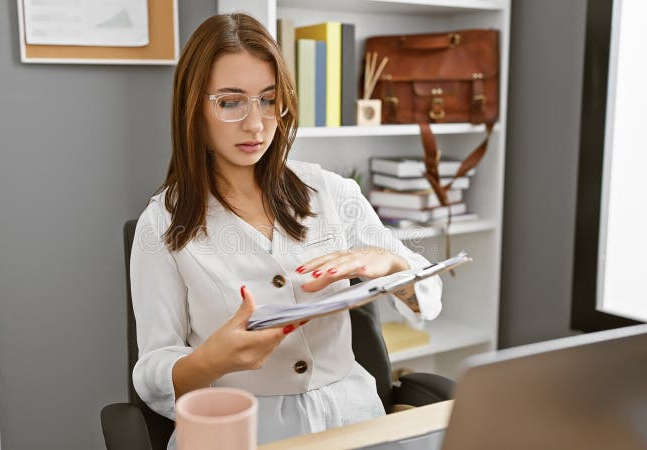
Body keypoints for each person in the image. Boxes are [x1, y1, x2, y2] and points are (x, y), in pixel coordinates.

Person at [130, 12, 443, 448]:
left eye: (268, 99)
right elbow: (152, 372)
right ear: (193, 107)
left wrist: (390, 263)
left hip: (352, 420)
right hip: (238, 429)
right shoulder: (161, 224)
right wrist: (209, 360)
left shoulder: (331, 192)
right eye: (230, 101)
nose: (256, 124)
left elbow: (427, 297)